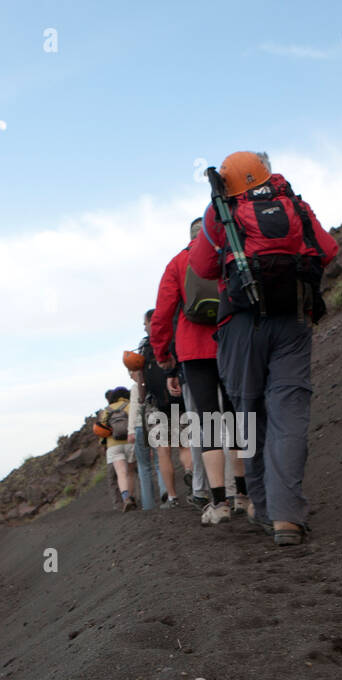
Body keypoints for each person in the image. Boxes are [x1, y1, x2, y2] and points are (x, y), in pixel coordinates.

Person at [189, 151, 338, 545]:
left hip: (239, 325)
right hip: (291, 319)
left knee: (248, 416)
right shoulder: (295, 204)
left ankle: (263, 507)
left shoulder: (220, 212)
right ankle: (287, 517)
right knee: (289, 415)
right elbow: (328, 249)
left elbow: (202, 267)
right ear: (266, 174)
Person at [150, 219, 249, 527]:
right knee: (237, 418)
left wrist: (164, 355)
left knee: (207, 421)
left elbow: (162, 315)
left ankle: (219, 503)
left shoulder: (178, 262)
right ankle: (245, 497)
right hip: (231, 341)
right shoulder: (229, 254)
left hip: (194, 351)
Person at [135, 310, 185, 507]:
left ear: (150, 323)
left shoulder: (146, 347)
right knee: (185, 445)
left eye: (145, 323)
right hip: (179, 400)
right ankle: (193, 480)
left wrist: (141, 399)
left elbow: (140, 378)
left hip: (156, 405)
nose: (144, 327)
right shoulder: (175, 337)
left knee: (163, 451)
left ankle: (172, 496)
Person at [124, 348, 159, 510]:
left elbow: (134, 411)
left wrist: (130, 431)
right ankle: (168, 497)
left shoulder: (135, 387)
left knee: (144, 467)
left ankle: (148, 505)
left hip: (139, 428)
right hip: (157, 423)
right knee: (160, 463)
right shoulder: (152, 381)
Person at [95, 386, 137, 512]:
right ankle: (132, 496)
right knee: (131, 472)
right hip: (130, 442)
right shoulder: (129, 405)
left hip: (113, 445)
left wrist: (104, 445)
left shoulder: (107, 410)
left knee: (120, 473)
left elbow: (101, 430)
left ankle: (126, 498)